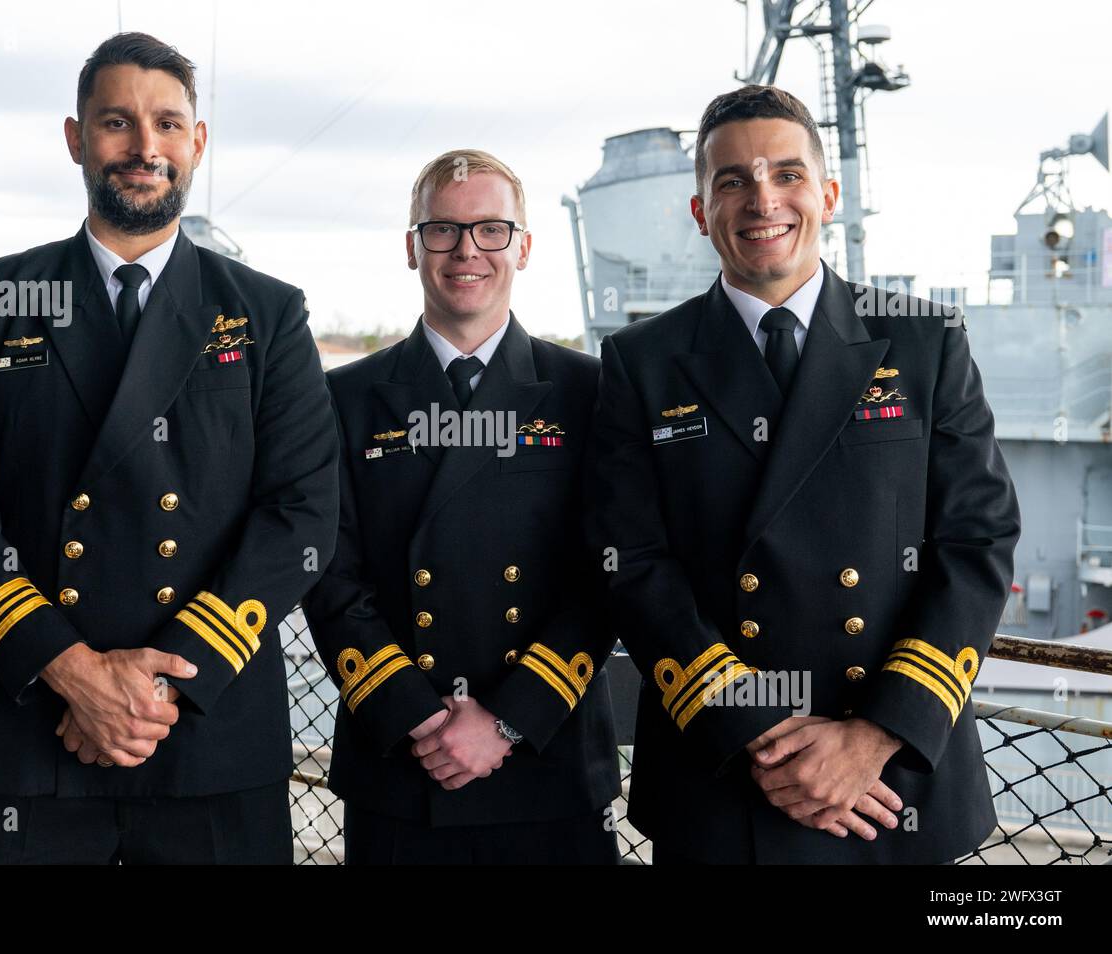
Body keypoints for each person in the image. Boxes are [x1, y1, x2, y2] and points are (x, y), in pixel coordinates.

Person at [0, 32, 338, 864]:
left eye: (168, 124)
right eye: (117, 122)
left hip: (206, 734)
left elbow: (302, 512)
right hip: (28, 725)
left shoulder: (269, 314)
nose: (145, 147)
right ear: (76, 139)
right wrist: (74, 674)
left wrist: (156, 685)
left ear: (197, 143)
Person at [589, 85, 1020, 864]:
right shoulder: (641, 362)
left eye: (787, 174)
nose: (763, 200)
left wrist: (874, 735)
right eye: (732, 181)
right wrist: (763, 739)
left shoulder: (923, 340)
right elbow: (632, 564)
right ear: (699, 210)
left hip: (891, 788)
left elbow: (977, 541)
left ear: (826, 193)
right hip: (725, 770)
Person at [302, 149, 620, 864]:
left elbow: (609, 572)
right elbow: (325, 572)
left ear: (525, 247)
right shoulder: (346, 399)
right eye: (442, 230)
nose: (466, 250)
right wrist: (415, 715)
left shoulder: (591, 392)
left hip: (547, 761)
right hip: (402, 767)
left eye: (490, 230)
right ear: (412, 247)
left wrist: (507, 721)